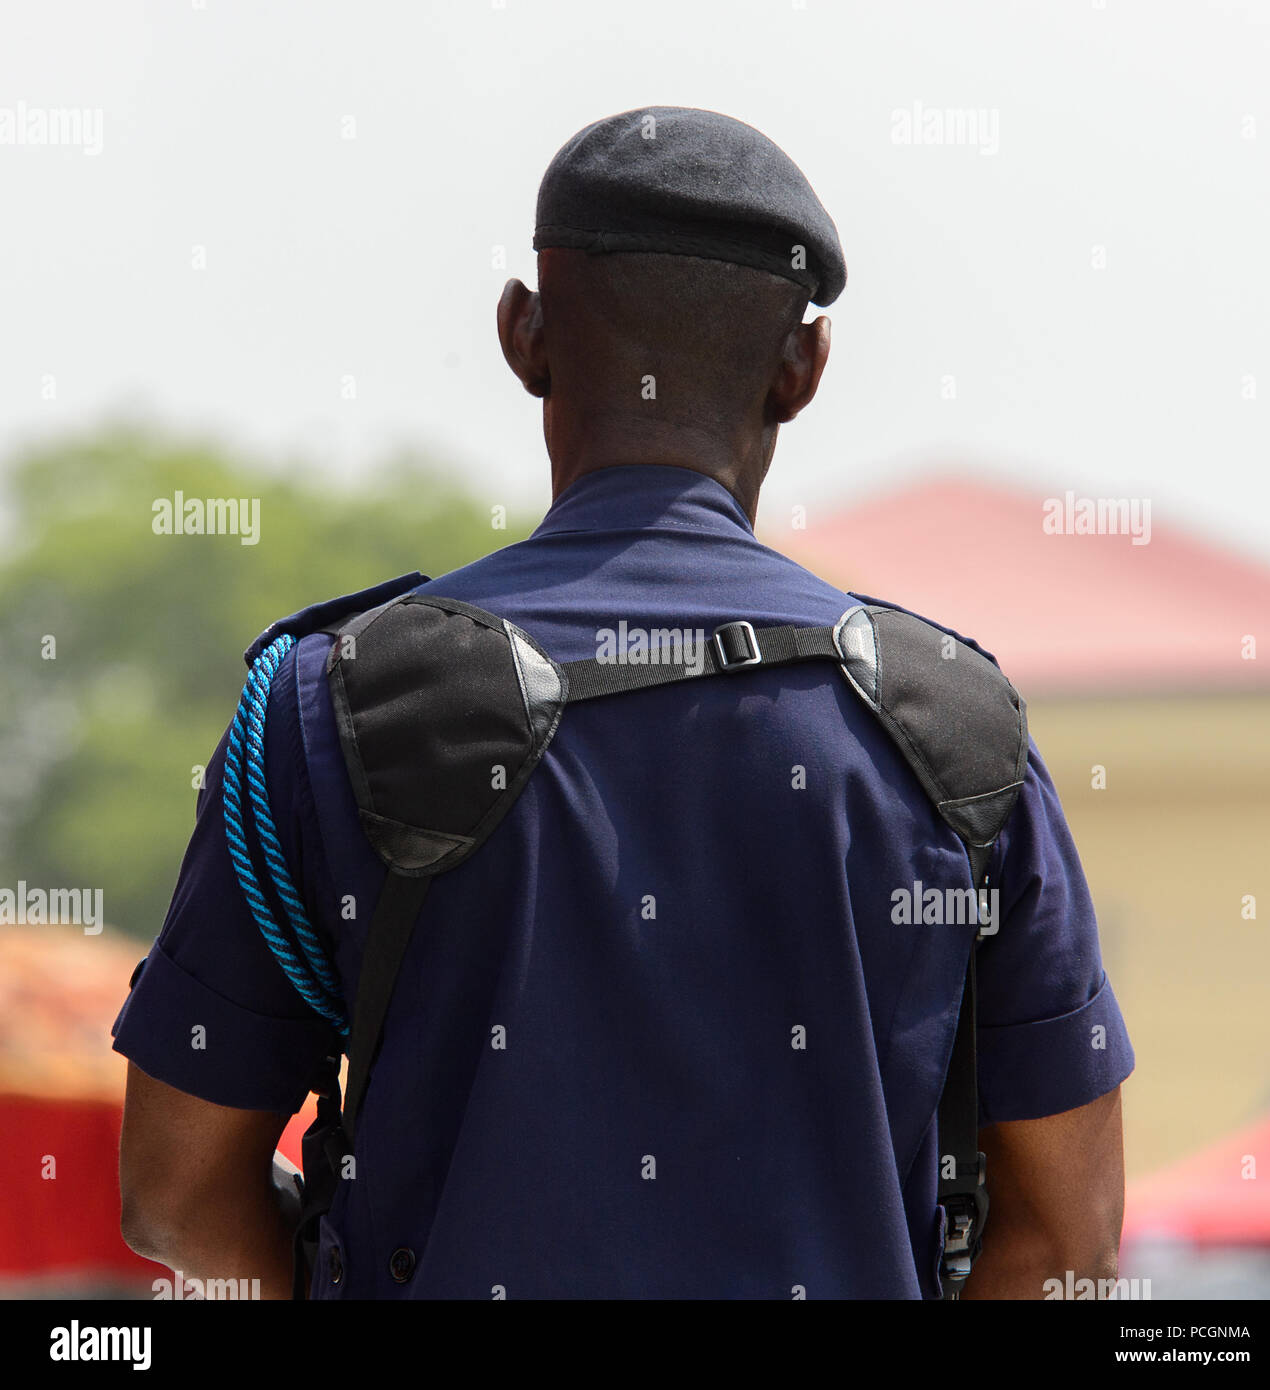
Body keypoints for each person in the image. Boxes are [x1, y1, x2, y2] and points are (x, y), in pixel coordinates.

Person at [114, 106, 1133, 1300]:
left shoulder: (326, 706)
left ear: (523, 336)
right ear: (801, 372)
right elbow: (1072, 1241)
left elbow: (176, 1194)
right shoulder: (954, 731)